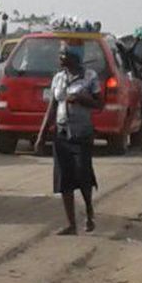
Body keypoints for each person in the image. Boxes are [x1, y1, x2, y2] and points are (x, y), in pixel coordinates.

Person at [36, 45, 103, 234]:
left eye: (64, 54)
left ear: (75, 57)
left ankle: (89, 212)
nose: (60, 57)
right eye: (60, 54)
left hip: (82, 133)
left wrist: (83, 98)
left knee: (83, 175)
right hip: (62, 133)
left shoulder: (89, 77)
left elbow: (100, 104)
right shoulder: (58, 78)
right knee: (64, 179)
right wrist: (42, 135)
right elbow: (52, 107)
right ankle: (71, 224)